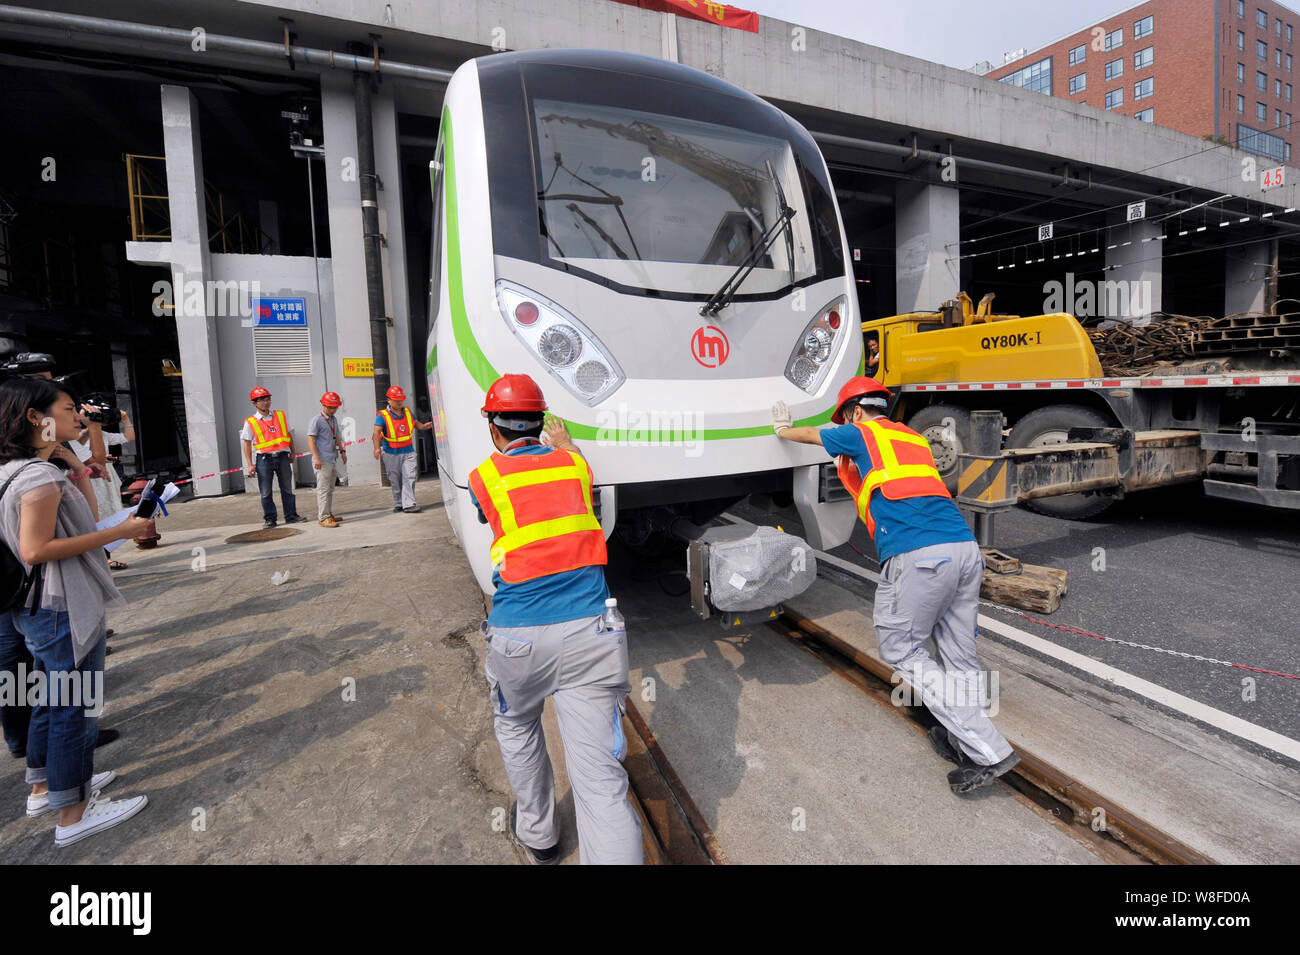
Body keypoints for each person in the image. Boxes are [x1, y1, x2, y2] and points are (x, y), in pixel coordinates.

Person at [772, 377, 1019, 794]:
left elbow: (814, 436)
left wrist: (781, 429)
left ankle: (988, 750)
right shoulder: (914, 439)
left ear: (853, 411)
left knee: (901, 649)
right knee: (959, 652)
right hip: (963, 549)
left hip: (919, 555)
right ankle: (964, 739)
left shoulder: (861, 431)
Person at [468, 374, 642, 865]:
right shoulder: (574, 464)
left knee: (519, 725)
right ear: (543, 422)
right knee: (600, 780)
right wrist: (566, 444)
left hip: (518, 637)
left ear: (492, 426)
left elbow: (496, 515)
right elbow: (575, 475)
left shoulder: (484, 476)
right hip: (592, 632)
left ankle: (540, 836)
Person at [0, 377, 150, 845]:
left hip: (32, 606)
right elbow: (36, 547)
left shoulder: (13, 470)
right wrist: (120, 531)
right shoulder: (39, 477)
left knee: (52, 697)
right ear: (35, 417)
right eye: (68, 409)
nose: (78, 417)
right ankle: (74, 814)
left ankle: (46, 787)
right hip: (60, 605)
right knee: (74, 704)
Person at [240, 387, 306, 529]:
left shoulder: (280, 415)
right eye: (262, 400)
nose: (266, 402)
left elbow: (288, 436)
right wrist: (250, 464)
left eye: (268, 399)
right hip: (264, 460)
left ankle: (291, 516)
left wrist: (293, 452)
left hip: (282, 457)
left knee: (287, 489)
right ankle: (270, 519)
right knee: (265, 492)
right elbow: (246, 444)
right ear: (255, 403)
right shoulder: (250, 422)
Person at [372, 385, 433, 514]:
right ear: (389, 400)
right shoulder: (382, 416)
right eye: (396, 400)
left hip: (408, 452)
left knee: (409, 477)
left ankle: (409, 504)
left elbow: (415, 424)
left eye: (401, 399)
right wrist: (377, 448)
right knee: (395, 479)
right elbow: (376, 432)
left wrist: (424, 426)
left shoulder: (408, 412)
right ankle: (399, 503)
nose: (399, 402)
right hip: (390, 453)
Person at [307, 392, 347, 528]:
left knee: (330, 488)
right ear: (323, 405)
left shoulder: (333, 419)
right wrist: (317, 458)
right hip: (322, 461)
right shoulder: (316, 420)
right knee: (323, 489)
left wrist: (342, 451)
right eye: (330, 407)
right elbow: (311, 440)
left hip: (332, 458)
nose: (332, 410)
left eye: (335, 407)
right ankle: (323, 517)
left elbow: (337, 436)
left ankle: (328, 514)